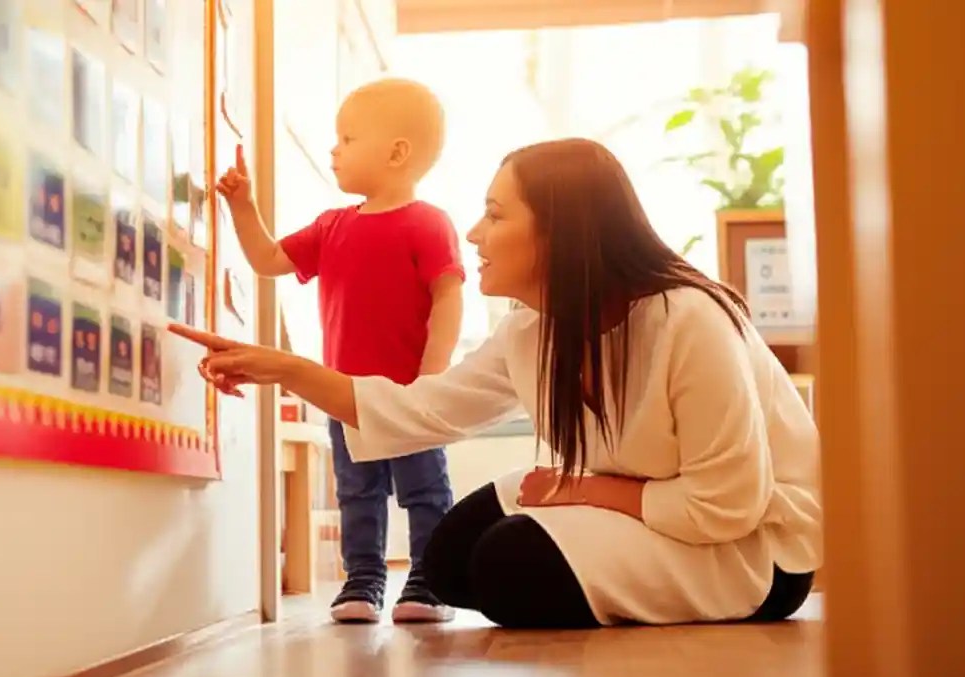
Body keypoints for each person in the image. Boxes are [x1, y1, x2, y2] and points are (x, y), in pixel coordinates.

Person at [179, 138, 822, 629]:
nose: (474, 234)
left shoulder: (691, 319)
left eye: (494, 215)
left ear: (561, 231)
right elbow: (420, 410)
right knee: (451, 560)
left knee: (507, 565)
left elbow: (729, 502)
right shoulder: (531, 330)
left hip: (753, 548)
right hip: (652, 510)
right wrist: (280, 367)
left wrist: (585, 489)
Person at [215, 78, 466, 624]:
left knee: (423, 489)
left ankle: (430, 580)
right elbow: (268, 260)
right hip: (344, 394)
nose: (334, 149)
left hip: (409, 394)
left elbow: (448, 296)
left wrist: (433, 373)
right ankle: (364, 579)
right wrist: (242, 207)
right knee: (359, 492)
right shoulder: (332, 227)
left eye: (348, 138)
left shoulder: (428, 223)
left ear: (397, 153)